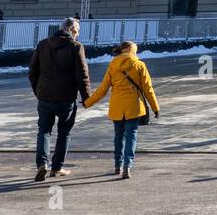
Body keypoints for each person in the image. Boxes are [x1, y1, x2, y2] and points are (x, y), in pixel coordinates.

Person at [83, 40, 160, 178]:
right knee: (131, 136)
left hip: (117, 107)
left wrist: (88, 102)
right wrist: (155, 107)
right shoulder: (140, 65)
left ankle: (117, 165)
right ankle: (127, 166)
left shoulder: (113, 64)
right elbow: (148, 89)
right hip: (134, 107)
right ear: (133, 52)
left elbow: (103, 88)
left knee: (119, 136)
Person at [28, 17, 92, 182]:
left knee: (44, 131)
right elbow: (82, 75)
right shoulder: (75, 47)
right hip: (66, 97)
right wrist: (86, 98)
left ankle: (42, 163)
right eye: (77, 32)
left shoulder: (43, 44)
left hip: (45, 96)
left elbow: (33, 71)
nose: (77, 35)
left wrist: (38, 90)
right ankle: (57, 167)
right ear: (71, 30)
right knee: (64, 133)